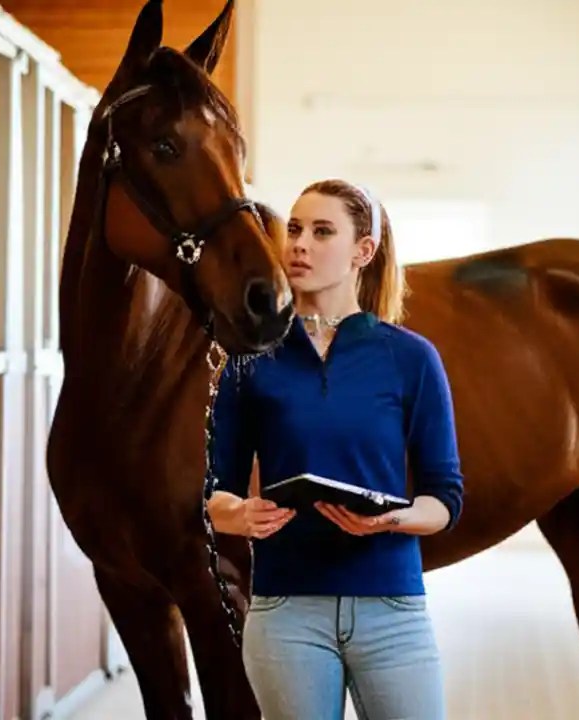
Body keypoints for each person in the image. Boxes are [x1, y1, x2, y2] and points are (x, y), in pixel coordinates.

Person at [206, 178, 464, 720]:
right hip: (285, 612)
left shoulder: (412, 358)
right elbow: (213, 493)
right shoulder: (250, 361)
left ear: (362, 251)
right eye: (295, 229)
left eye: (323, 232)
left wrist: (391, 517)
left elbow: (445, 500)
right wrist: (239, 515)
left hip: (393, 611)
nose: (300, 243)